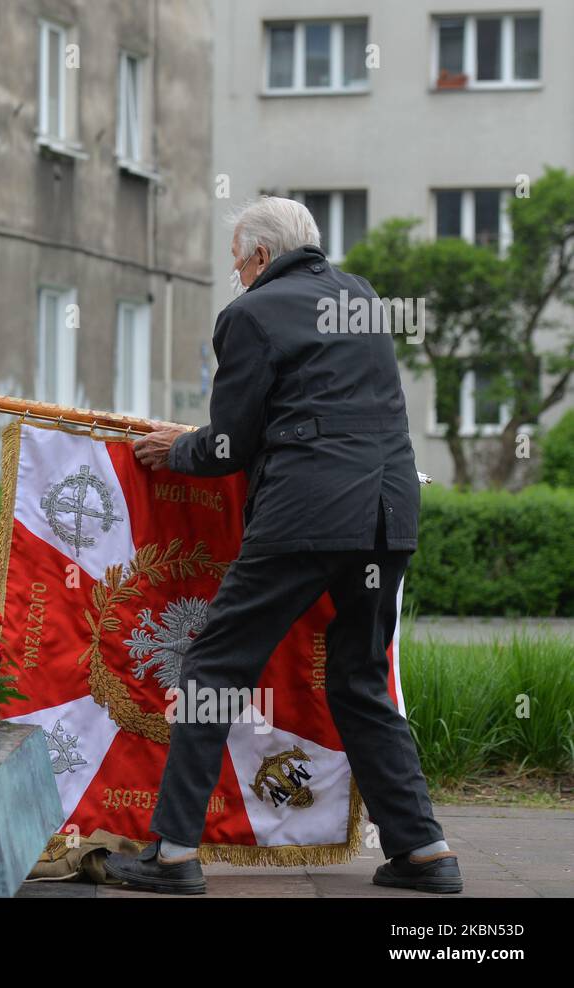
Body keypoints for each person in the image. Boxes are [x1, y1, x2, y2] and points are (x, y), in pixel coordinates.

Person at [110, 196, 461, 895]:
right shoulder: (360, 298)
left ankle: (174, 853)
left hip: (306, 517)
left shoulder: (249, 315)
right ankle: (425, 852)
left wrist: (177, 450)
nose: (236, 277)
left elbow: (230, 443)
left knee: (212, 670)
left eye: (238, 263)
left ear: (261, 258)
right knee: (359, 679)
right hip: (389, 514)